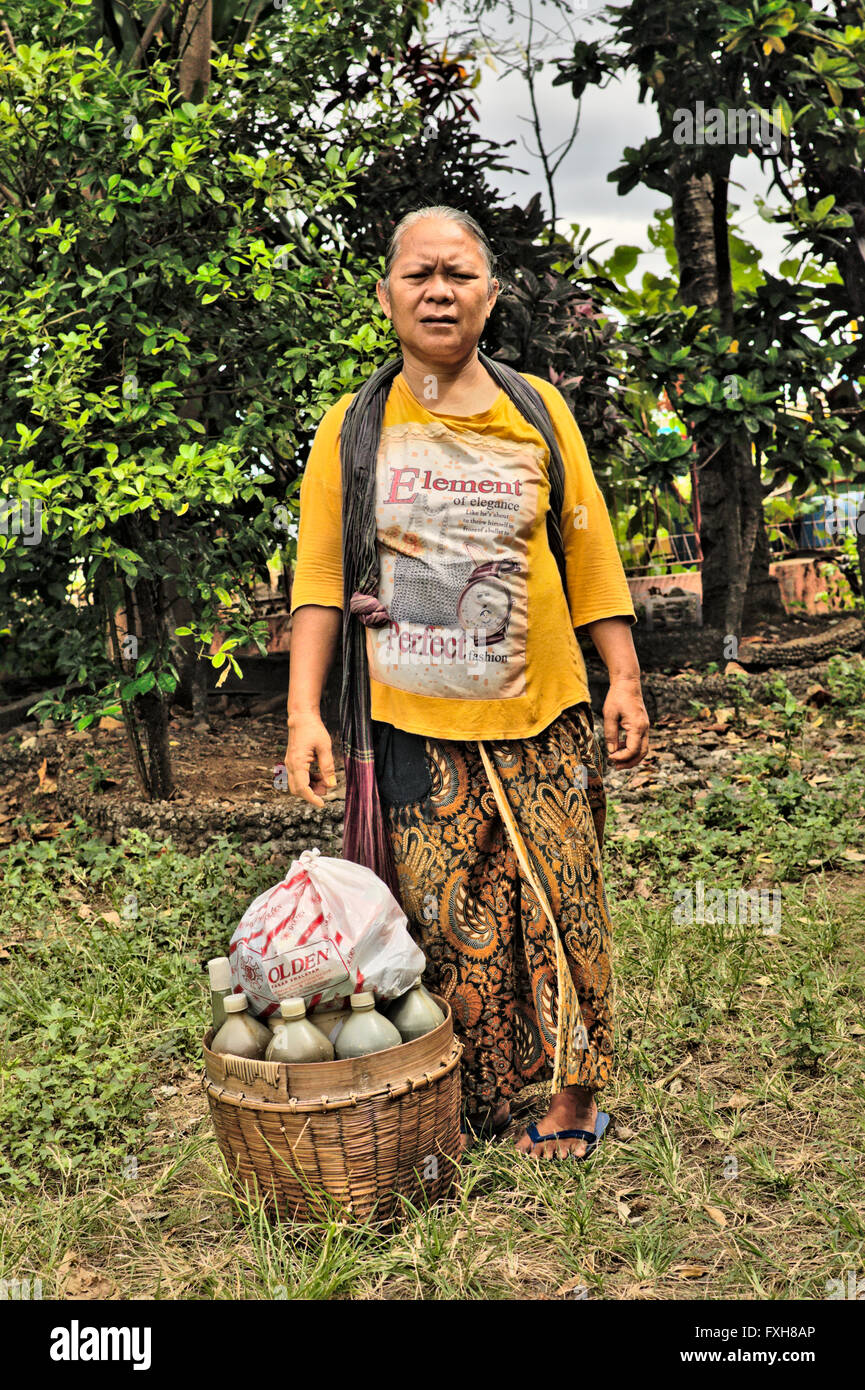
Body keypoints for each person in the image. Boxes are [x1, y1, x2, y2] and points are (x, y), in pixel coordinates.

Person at [284, 205, 650, 1159]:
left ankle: (568, 1099)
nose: (437, 291)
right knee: (454, 918)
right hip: (412, 718)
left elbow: (588, 551)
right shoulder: (355, 428)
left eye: (457, 275)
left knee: (561, 903)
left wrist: (624, 676)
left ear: (490, 296)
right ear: (386, 296)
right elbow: (320, 577)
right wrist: (302, 717)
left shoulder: (536, 410)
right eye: (418, 275)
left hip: (543, 709)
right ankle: (488, 1094)